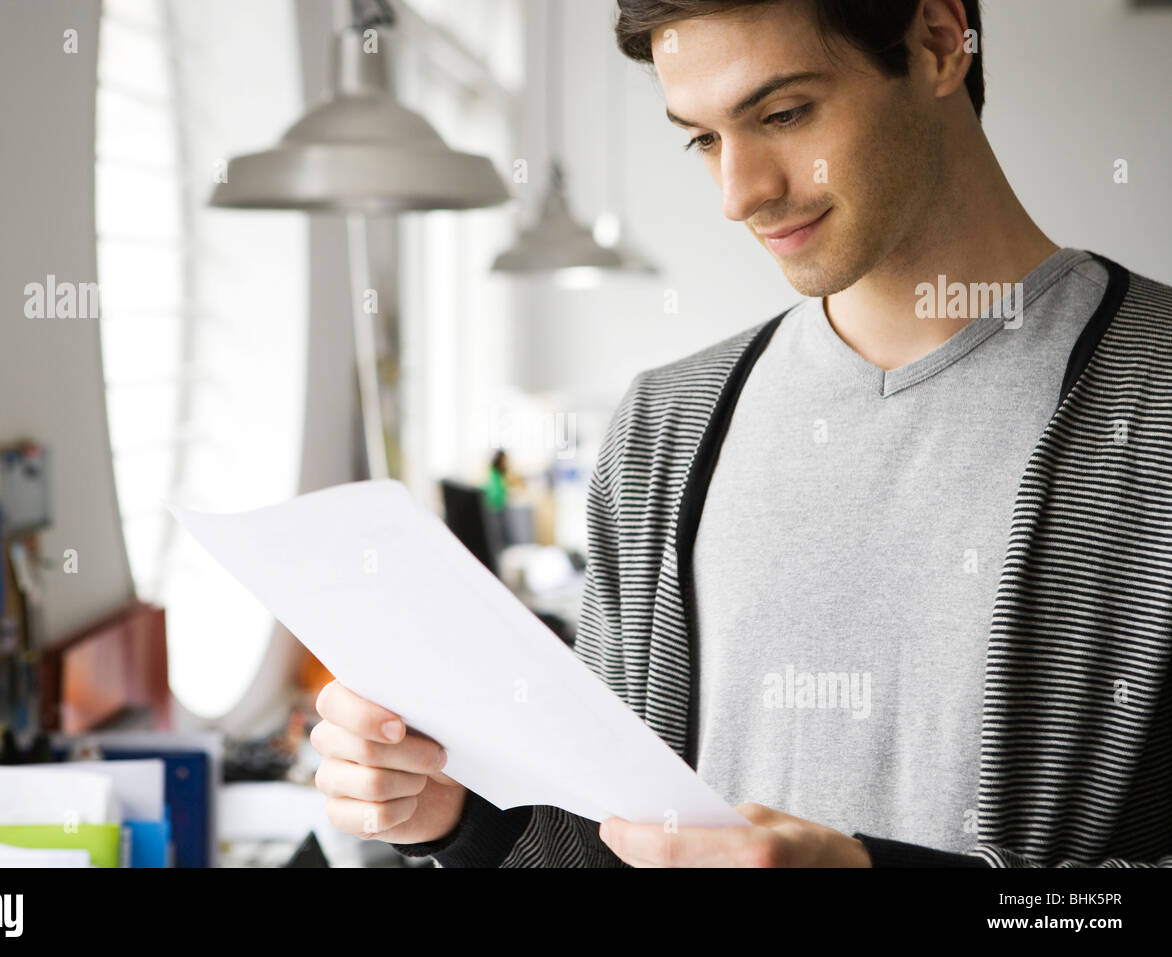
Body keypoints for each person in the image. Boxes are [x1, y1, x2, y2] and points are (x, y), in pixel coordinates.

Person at [309, 0, 1172, 867]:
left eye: (784, 113)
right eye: (703, 138)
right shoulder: (663, 429)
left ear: (940, 43)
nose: (740, 193)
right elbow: (604, 838)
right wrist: (469, 814)